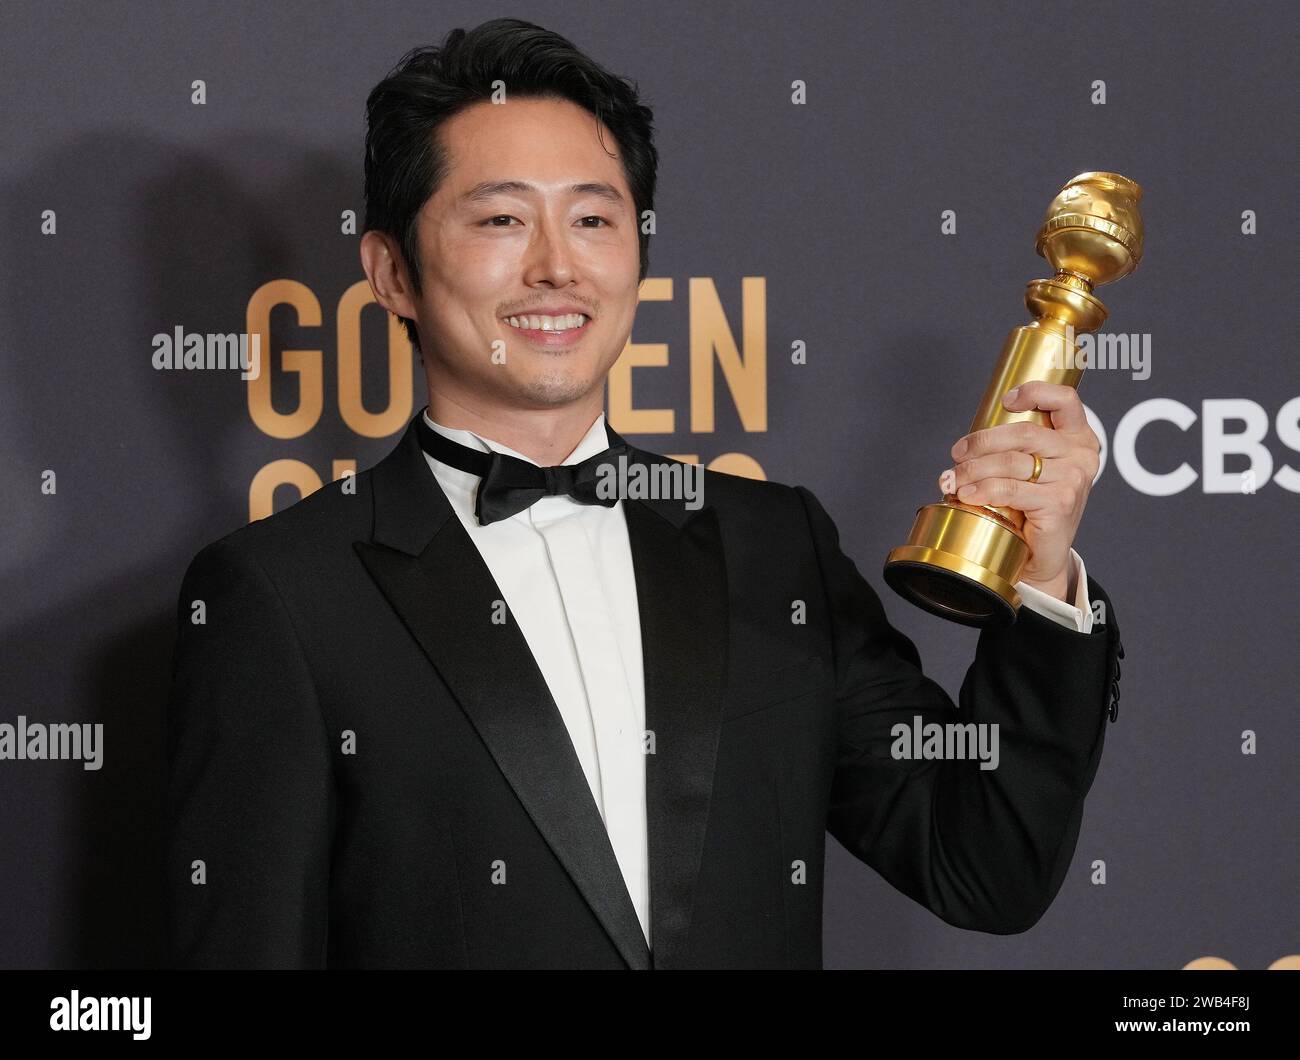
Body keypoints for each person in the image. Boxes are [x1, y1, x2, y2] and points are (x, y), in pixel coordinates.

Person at [163, 18, 1123, 969]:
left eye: (593, 218)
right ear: (392, 273)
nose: (557, 265)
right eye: (501, 218)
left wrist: (1042, 588)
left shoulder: (770, 545)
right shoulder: (282, 595)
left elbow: (983, 862)